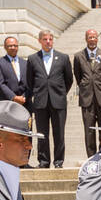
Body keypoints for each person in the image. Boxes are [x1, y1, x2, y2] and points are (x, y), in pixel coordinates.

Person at [25, 29, 74, 168]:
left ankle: (58, 162)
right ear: (39, 41)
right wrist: (38, 92)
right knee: (42, 134)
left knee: (59, 134)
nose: (48, 42)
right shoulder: (33, 58)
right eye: (45, 39)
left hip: (58, 101)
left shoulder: (63, 58)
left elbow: (69, 79)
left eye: (50, 39)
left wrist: (60, 93)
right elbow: (29, 81)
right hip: (41, 102)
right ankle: (43, 161)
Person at [74, 28, 101, 159]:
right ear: (86, 39)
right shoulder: (78, 56)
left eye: (94, 37)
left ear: (97, 39)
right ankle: (91, 157)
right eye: (90, 37)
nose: (92, 39)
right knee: (89, 130)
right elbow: (78, 75)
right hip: (87, 98)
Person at [0, 36, 28, 107]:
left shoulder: (26, 63)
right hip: (6, 102)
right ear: (5, 47)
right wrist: (14, 97)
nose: (13, 47)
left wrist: (23, 97)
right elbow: (0, 83)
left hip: (25, 103)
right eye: (10, 46)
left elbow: (30, 83)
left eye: (15, 45)